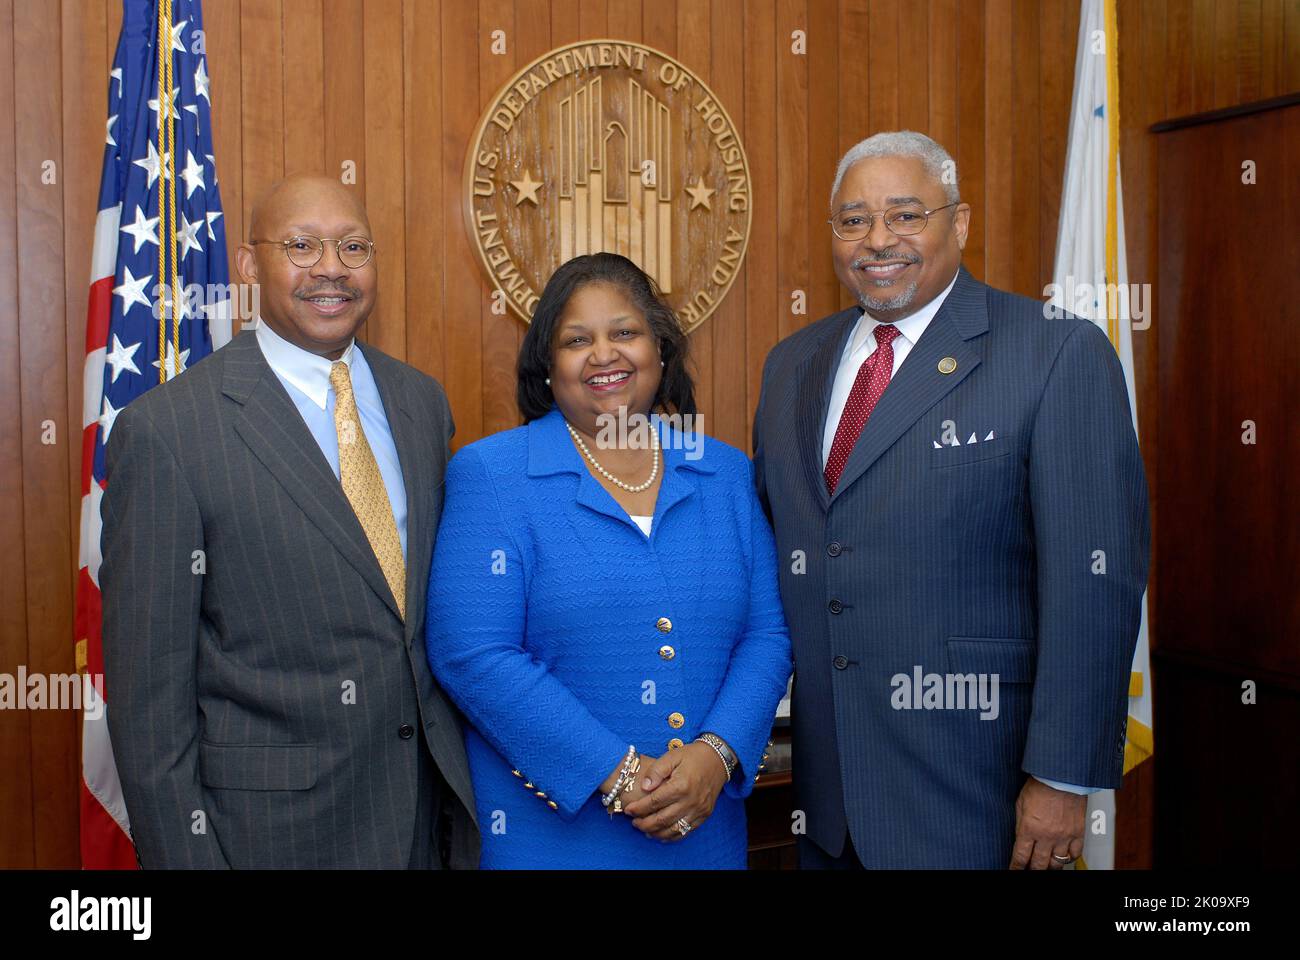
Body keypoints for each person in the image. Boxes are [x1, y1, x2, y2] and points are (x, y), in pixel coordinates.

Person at [752, 131, 1150, 869]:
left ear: (958, 223)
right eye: (853, 220)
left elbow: (1095, 582)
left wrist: (1061, 777)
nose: (878, 240)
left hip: (975, 788)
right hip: (827, 795)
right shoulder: (791, 366)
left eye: (906, 215)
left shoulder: (1055, 350)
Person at [101, 173, 478, 868]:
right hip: (272, 837)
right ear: (248, 265)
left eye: (354, 246)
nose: (331, 268)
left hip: (431, 819)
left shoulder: (420, 402)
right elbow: (147, 711)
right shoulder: (167, 433)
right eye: (301, 245)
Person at [425, 253, 791, 869]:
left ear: (660, 350)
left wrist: (717, 754)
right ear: (547, 366)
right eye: (576, 340)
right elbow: (473, 654)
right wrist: (616, 775)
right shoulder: (491, 476)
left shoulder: (724, 471)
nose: (604, 355)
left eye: (625, 332)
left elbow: (767, 635)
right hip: (552, 840)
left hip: (705, 832)